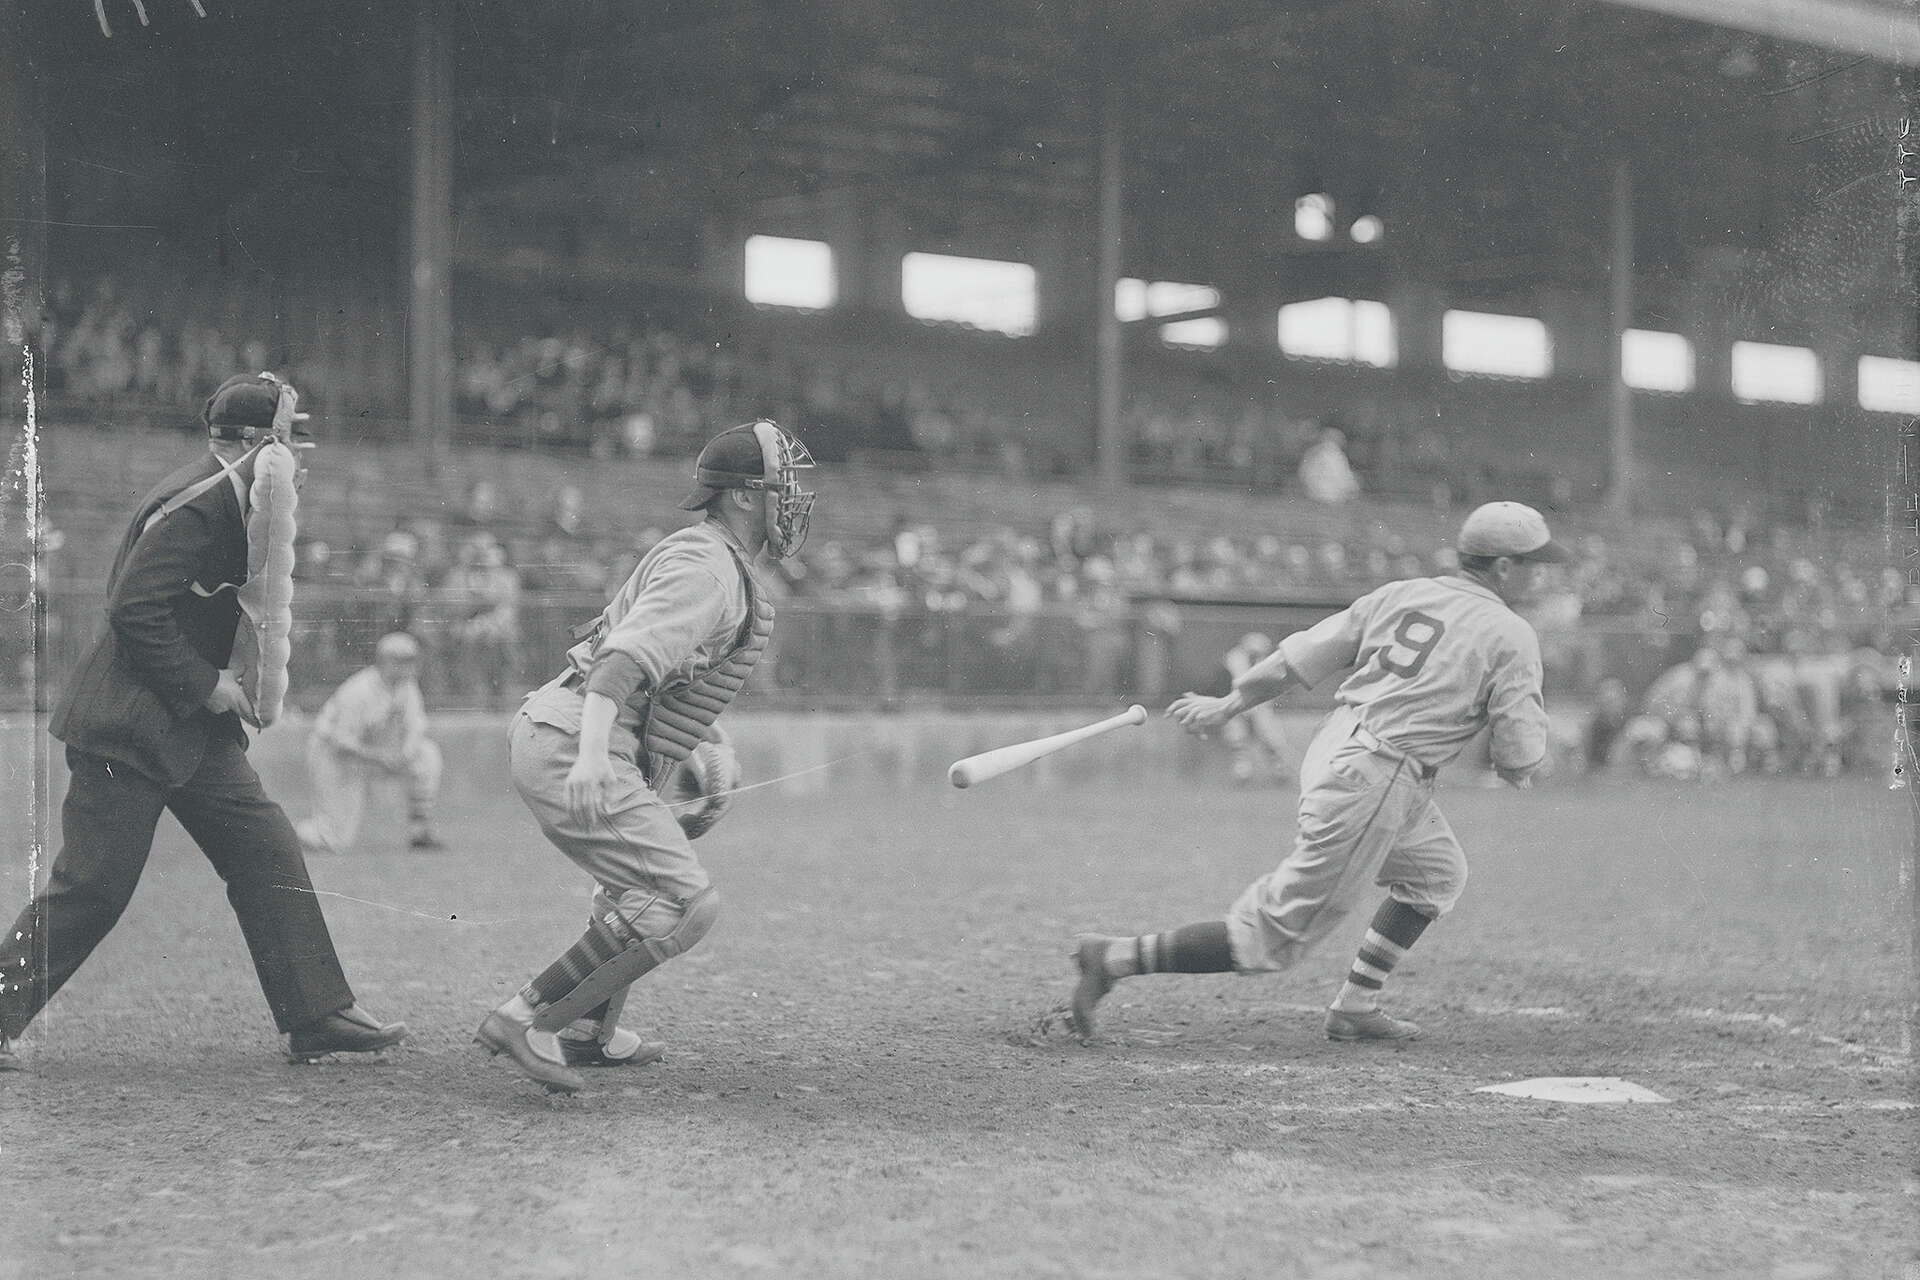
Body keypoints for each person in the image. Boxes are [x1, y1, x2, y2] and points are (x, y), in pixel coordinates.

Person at [0, 373, 405, 1072]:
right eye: (285, 437)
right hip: (128, 726)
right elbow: (132, 611)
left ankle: (314, 1015)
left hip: (185, 728)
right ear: (252, 442)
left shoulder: (232, 496)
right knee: (94, 886)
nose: (297, 451)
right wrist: (207, 683)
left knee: (267, 846)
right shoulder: (200, 502)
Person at [1064, 501, 1569, 1045]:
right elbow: (1518, 757)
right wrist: (1526, 762)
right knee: (1271, 938)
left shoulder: (1403, 593)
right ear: (1501, 567)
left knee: (1436, 874)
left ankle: (1356, 1005)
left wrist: (1230, 703)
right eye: (1533, 562)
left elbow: (1295, 660)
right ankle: (1111, 957)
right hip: (1380, 775)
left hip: (1341, 745)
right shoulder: (1512, 632)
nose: (1543, 573)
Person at [473, 420, 814, 1093]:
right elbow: (622, 661)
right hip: (574, 737)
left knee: (632, 892)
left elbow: (657, 672)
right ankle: (523, 1018)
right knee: (684, 904)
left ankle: (586, 1033)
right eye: (783, 485)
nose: (794, 498)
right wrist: (595, 756)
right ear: (745, 497)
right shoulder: (709, 568)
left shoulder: (712, 558)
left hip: (564, 728)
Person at [296, 632, 445, 855]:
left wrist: (405, 753)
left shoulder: (406, 686)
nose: (408, 667)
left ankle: (419, 831)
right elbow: (340, 742)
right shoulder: (359, 691)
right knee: (334, 840)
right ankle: (282, 834)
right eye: (401, 661)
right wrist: (380, 757)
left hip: (372, 751)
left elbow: (415, 725)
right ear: (384, 662)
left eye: (411, 660)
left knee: (427, 755)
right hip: (333, 757)